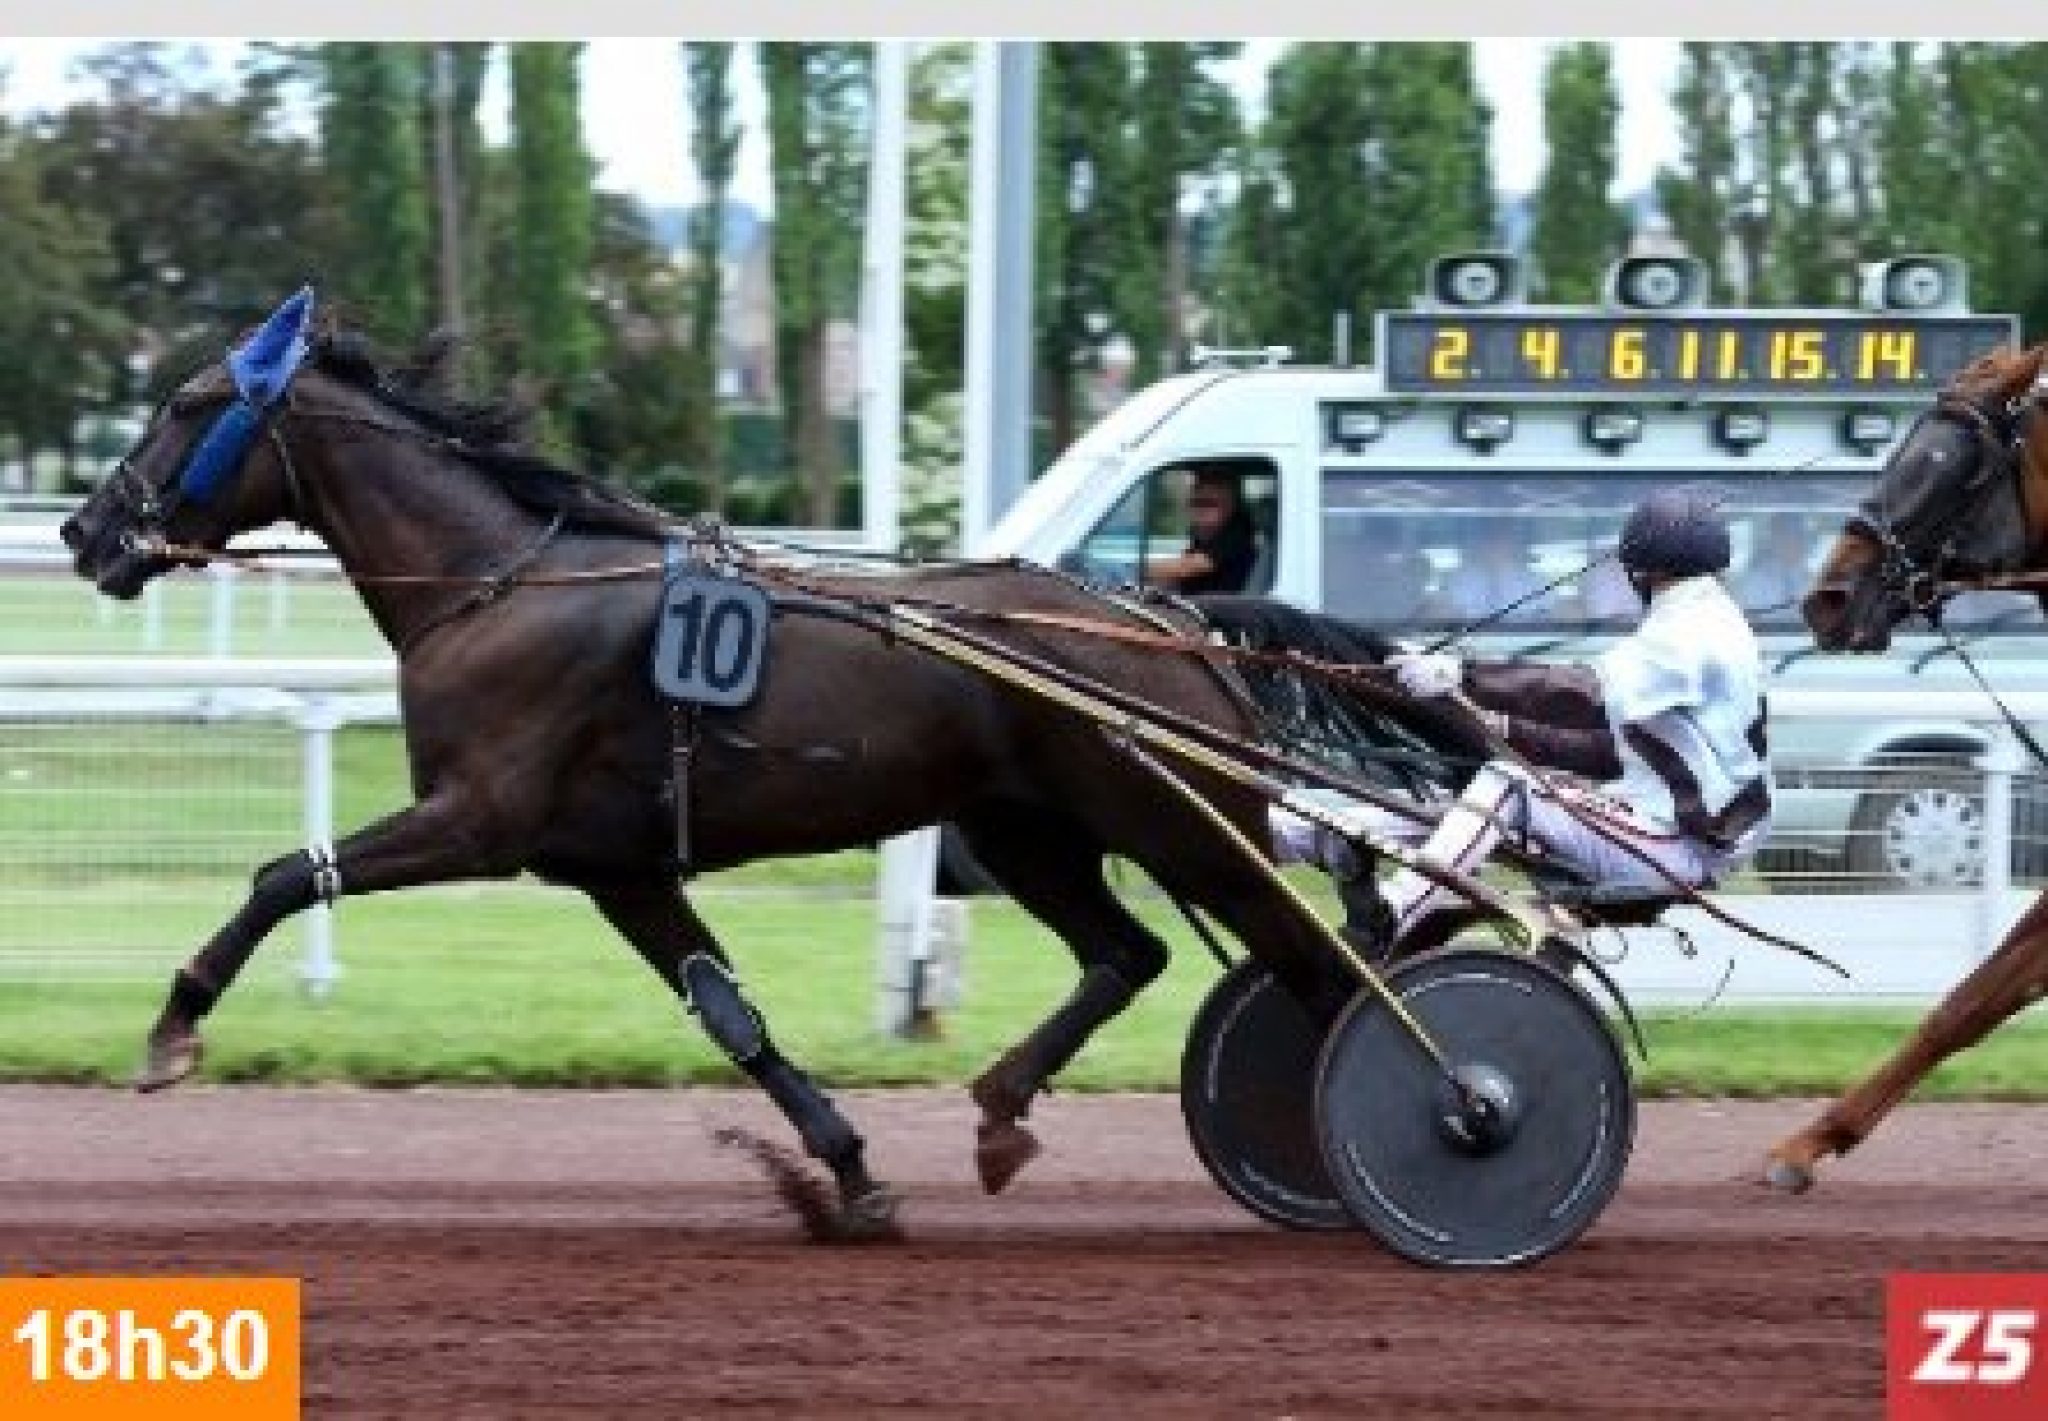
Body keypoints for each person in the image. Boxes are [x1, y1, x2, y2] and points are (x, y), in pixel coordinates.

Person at [1270, 489, 1773, 958]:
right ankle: (1304, 835)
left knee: (1506, 787)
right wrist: (1505, 729)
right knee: (1466, 805)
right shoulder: (1703, 618)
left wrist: (1463, 676)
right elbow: (1610, 749)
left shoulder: (1690, 630)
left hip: (1678, 849)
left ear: (1638, 570)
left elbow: (1584, 695)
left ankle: (1396, 913)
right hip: (1672, 838)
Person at [1145, 465, 1260, 595]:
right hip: (1196, 601)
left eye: (1209, 503)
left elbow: (1188, 567)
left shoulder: (1236, 533)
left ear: (1230, 503)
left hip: (1219, 605)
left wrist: (1140, 570)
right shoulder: (1205, 535)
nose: (1199, 510)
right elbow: (1178, 573)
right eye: (1196, 503)